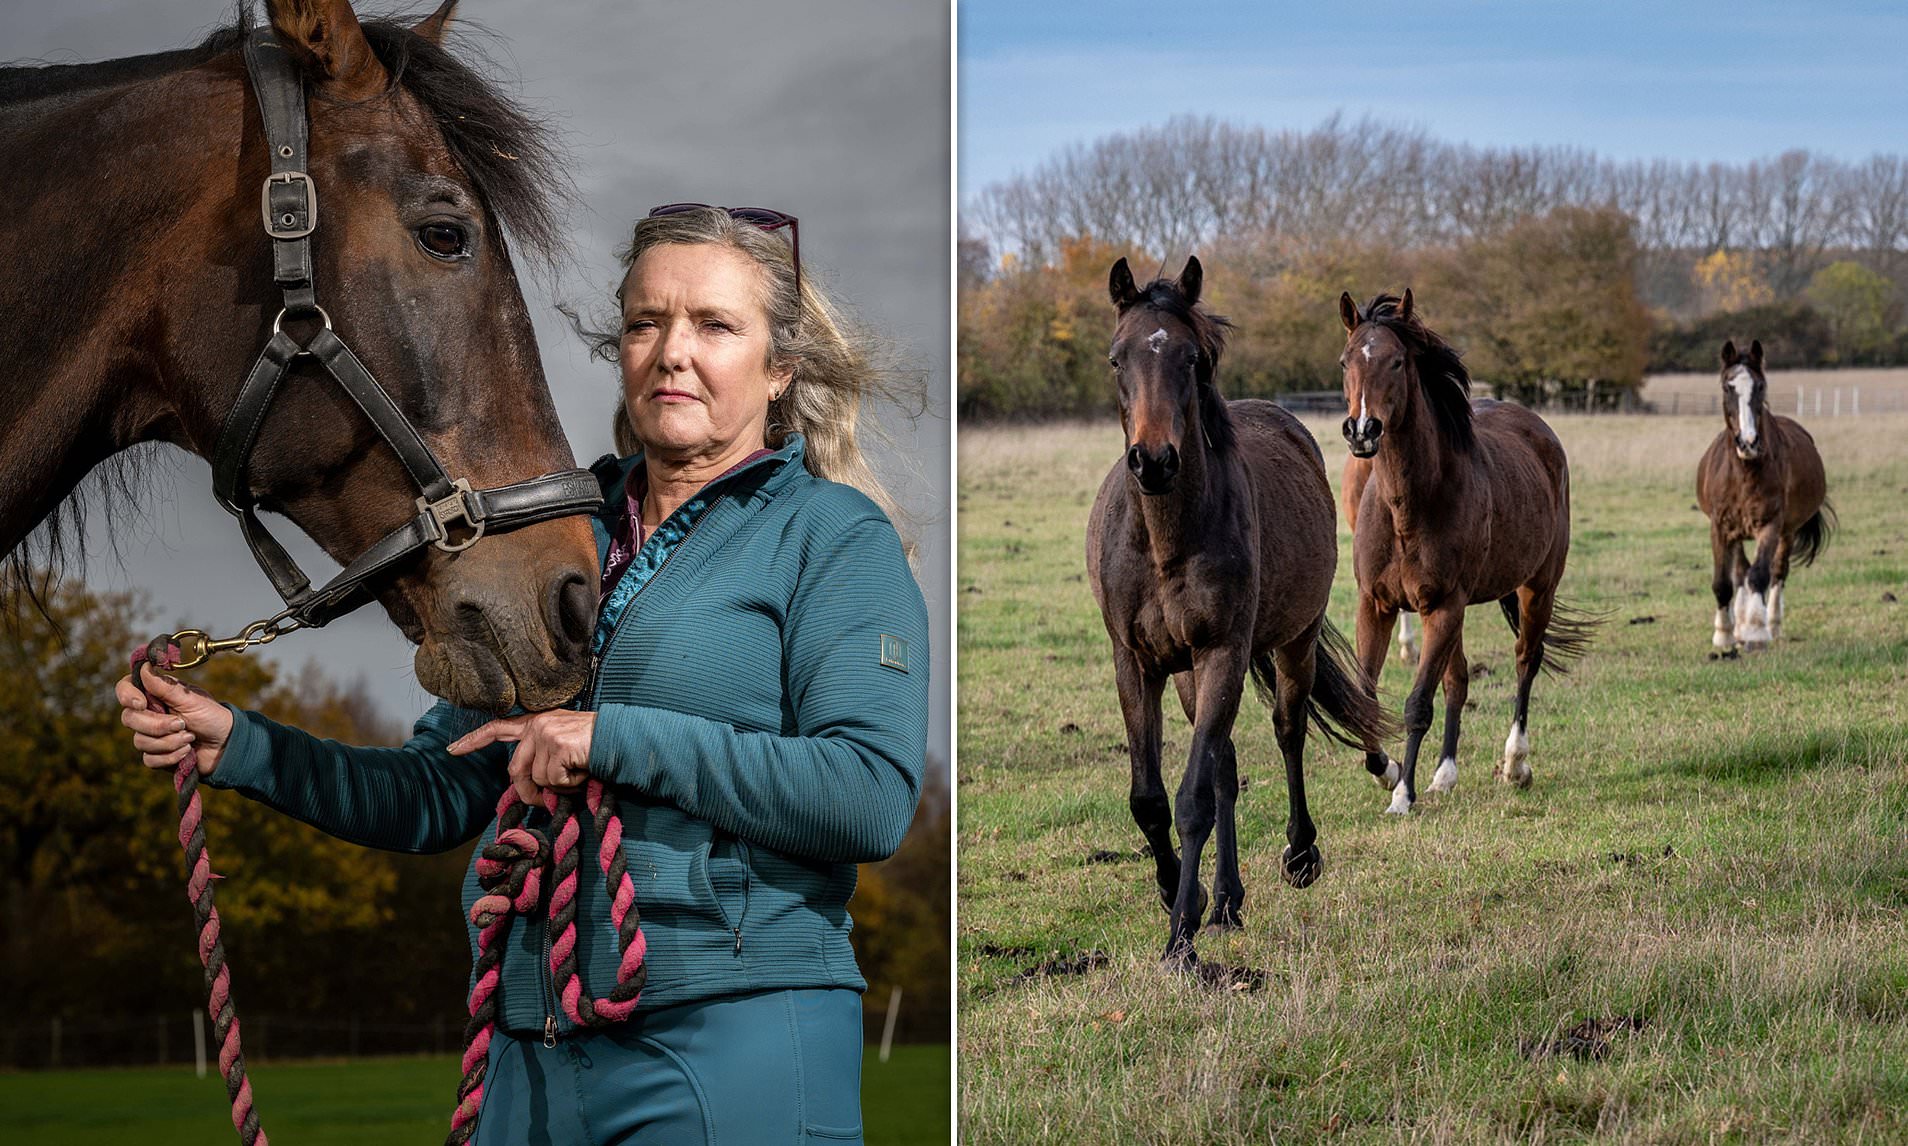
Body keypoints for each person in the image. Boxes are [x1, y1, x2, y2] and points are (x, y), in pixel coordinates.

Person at [116, 204, 929, 1145]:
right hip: (528, 1054)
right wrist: (243, 748)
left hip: (732, 1038)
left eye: (715, 325)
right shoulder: (553, 545)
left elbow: (868, 797)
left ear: (779, 366)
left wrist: (612, 740)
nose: (673, 353)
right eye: (646, 322)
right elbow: (436, 792)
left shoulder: (832, 537)